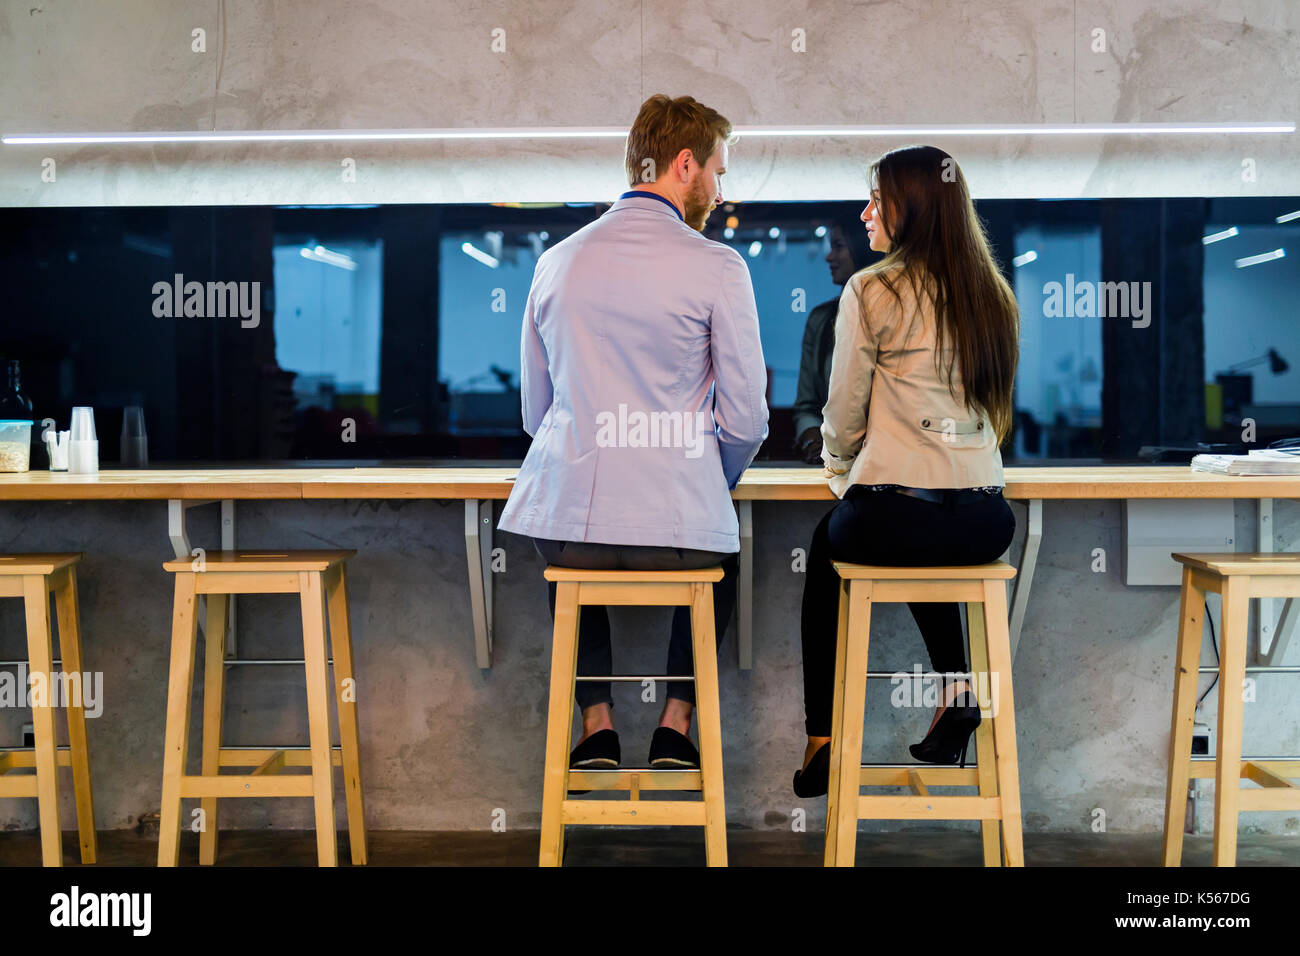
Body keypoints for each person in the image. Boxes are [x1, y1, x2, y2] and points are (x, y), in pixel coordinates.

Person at [498, 94, 769, 772]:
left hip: (573, 534)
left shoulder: (555, 261)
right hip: (679, 544)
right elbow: (747, 420)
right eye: (718, 170)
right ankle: (676, 725)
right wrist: (712, 478)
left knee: (567, 546)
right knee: (725, 548)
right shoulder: (719, 266)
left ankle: (596, 725)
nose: (719, 185)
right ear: (685, 165)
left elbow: (536, 417)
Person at [791, 145, 1019, 798]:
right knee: (915, 531)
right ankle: (958, 692)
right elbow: (992, 413)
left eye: (876, 200)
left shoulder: (871, 289)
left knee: (845, 535)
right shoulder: (992, 294)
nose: (865, 214)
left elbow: (842, 411)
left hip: (899, 515)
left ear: (909, 209)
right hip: (985, 521)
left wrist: (840, 469)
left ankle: (824, 738)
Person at [792, 215, 877, 463]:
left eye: (839, 246)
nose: (829, 257)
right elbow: (806, 406)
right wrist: (813, 440)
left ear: (862, 247)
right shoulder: (820, 320)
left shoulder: (898, 315)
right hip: (835, 464)